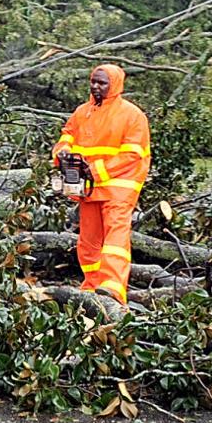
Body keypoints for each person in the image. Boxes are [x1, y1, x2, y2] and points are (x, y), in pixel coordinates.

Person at [54, 64, 150, 305]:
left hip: (119, 187)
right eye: (94, 81)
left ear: (115, 85)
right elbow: (67, 136)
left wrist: (94, 171)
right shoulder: (82, 112)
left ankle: (113, 288)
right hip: (90, 188)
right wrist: (63, 154)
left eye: (102, 83)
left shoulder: (132, 115)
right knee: (88, 240)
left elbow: (132, 155)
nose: (96, 86)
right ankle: (92, 285)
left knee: (115, 239)